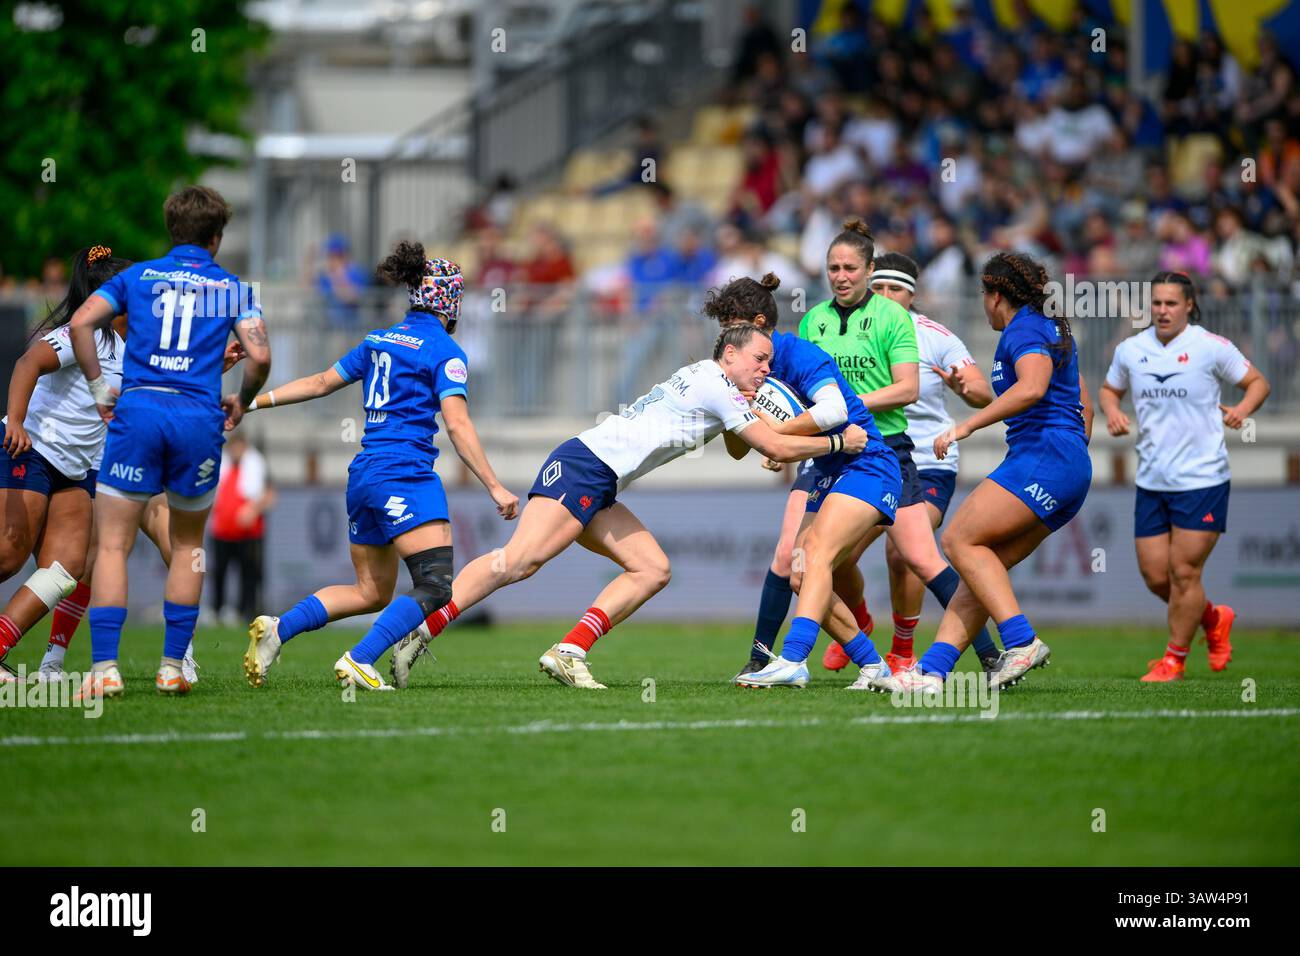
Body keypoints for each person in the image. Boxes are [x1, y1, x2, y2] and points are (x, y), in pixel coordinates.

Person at [391, 281, 873, 691]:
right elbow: (777, 449)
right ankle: (420, 628)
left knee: (652, 568)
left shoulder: (717, 382)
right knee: (518, 562)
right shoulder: (719, 387)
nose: (767, 371)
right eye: (760, 361)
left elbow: (743, 447)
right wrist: (837, 441)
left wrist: (764, 423)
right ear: (730, 353)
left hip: (599, 477)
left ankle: (570, 650)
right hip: (585, 466)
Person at [243, 243, 516, 690]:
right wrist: (495, 486)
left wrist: (250, 402)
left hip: (364, 472)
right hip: (403, 472)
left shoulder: (378, 339)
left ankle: (278, 629)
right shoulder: (445, 351)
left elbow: (319, 383)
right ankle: (359, 658)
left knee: (370, 592)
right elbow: (458, 425)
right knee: (435, 584)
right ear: (452, 305)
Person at [739, 219, 1001, 680]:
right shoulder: (815, 320)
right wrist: (783, 438)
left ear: (869, 269)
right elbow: (802, 396)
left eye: (850, 268)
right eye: (833, 268)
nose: (840, 276)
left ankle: (990, 653)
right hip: (828, 452)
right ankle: (770, 656)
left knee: (918, 558)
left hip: (886, 450)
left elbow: (907, 389)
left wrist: (841, 408)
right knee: (794, 557)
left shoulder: (893, 317)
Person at [68, 186, 271, 699]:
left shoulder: (137, 277)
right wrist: (242, 399)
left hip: (137, 411)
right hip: (197, 419)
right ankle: (171, 668)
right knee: (187, 546)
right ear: (217, 237)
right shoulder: (234, 289)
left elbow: (81, 322)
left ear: (171, 230)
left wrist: (98, 390)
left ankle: (106, 671)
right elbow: (260, 357)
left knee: (113, 544)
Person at [0, 246, 238, 684]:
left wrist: (218, 363)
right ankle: (61, 661)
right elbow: (27, 363)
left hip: (79, 470)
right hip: (32, 451)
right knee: (9, 557)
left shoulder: (135, 348)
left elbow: (168, 379)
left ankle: (17, 653)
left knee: (66, 570)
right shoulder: (84, 335)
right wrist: (15, 421)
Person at [883, 252, 1093, 694]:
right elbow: (1082, 403)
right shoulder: (1050, 326)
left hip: (1044, 454)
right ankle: (933, 672)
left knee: (958, 539)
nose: (983, 304)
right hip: (1064, 461)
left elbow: (1032, 389)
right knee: (982, 567)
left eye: (983, 295)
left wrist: (964, 426)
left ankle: (1020, 640)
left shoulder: (1025, 328)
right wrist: (1073, 456)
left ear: (996, 296)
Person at [821, 253, 993, 674]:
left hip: (926, 458)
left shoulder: (935, 337)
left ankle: (902, 649)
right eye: (878, 287)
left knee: (905, 554)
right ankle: (859, 625)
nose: (884, 296)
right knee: (835, 557)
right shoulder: (850, 327)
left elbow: (984, 394)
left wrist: (963, 388)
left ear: (912, 295)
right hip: (866, 458)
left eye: (894, 289)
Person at [1099, 271, 1270, 681]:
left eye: (1171, 303)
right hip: (1152, 480)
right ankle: (1213, 618)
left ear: (1189, 305)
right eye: (1156, 303)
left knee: (1184, 573)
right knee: (1157, 577)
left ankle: (1174, 660)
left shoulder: (1211, 347)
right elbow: (1109, 389)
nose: (1162, 311)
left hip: (1202, 479)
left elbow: (1257, 382)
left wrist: (1242, 411)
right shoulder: (1131, 350)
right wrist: (1113, 411)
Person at [208, 431, 274, 628]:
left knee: (249, 574)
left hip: (249, 532)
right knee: (219, 572)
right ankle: (217, 610)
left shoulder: (258, 464)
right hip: (221, 530)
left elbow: (270, 494)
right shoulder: (222, 464)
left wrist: (253, 509)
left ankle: (246, 613)